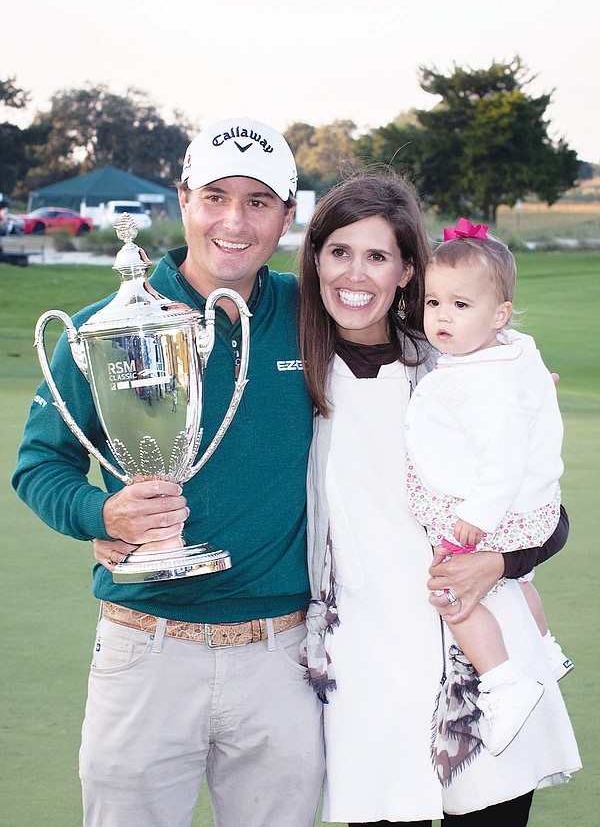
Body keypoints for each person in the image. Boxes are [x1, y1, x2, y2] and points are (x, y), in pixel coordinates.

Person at [12, 117, 325, 827]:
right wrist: (103, 515)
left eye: (258, 201)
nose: (234, 222)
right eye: (215, 196)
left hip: (283, 652)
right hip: (146, 645)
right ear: (182, 199)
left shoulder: (313, 317)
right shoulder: (106, 326)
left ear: (286, 214)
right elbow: (39, 465)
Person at [298, 169, 580, 825]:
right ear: (316, 260)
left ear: (407, 272)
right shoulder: (293, 370)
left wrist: (499, 563)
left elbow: (545, 508)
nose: (357, 274)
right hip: (368, 672)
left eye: (378, 256)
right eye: (340, 251)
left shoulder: (458, 364)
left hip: (481, 664)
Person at [404, 220, 573, 756]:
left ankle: (503, 681)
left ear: (498, 314)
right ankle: (545, 651)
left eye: (460, 305)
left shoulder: (483, 382)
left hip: (493, 509)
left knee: (449, 586)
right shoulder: (511, 350)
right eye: (433, 303)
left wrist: (475, 516)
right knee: (514, 586)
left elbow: (503, 457)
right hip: (531, 506)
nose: (441, 318)